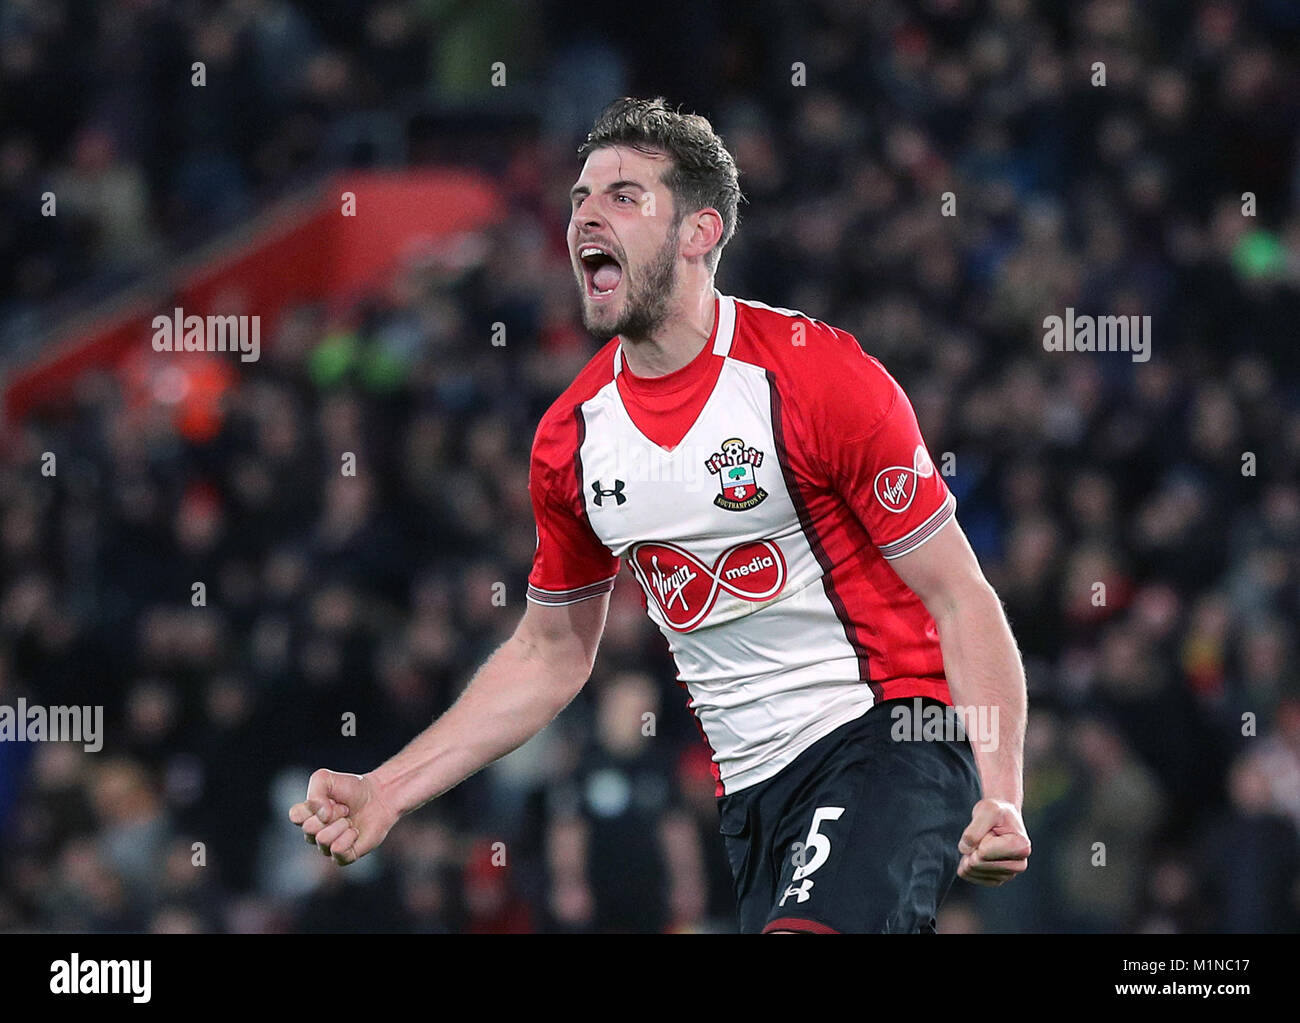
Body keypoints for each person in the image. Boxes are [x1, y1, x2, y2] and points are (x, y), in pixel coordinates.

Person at [290, 97, 1031, 933]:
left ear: (700, 233)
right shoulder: (572, 438)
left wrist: (1000, 790)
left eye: (623, 196)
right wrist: (387, 790)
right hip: (752, 797)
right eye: (578, 198)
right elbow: (548, 653)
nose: (585, 217)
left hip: (891, 738)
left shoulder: (814, 378)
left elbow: (961, 595)